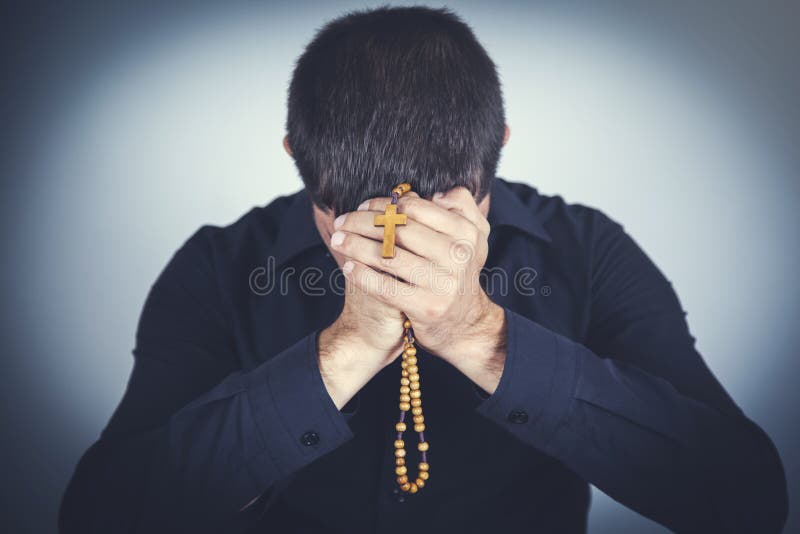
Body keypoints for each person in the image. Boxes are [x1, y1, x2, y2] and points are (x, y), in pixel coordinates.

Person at [59, 6, 788, 533]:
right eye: (346, 214)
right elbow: (103, 516)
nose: (396, 243)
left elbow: (744, 502)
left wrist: (480, 335)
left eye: (443, 208)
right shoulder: (221, 265)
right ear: (295, 155)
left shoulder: (586, 250)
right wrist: (341, 352)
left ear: (497, 148)